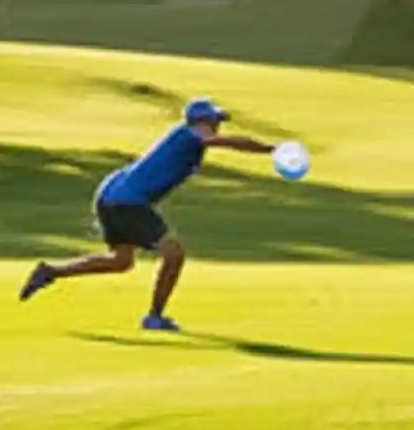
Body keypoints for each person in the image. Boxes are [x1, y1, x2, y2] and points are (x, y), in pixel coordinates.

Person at [19, 97, 276, 331]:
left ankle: (50, 272)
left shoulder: (186, 140)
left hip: (111, 194)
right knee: (174, 253)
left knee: (122, 261)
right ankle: (155, 316)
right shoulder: (190, 134)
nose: (218, 126)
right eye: (215, 121)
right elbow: (224, 142)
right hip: (128, 200)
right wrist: (268, 149)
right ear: (202, 121)